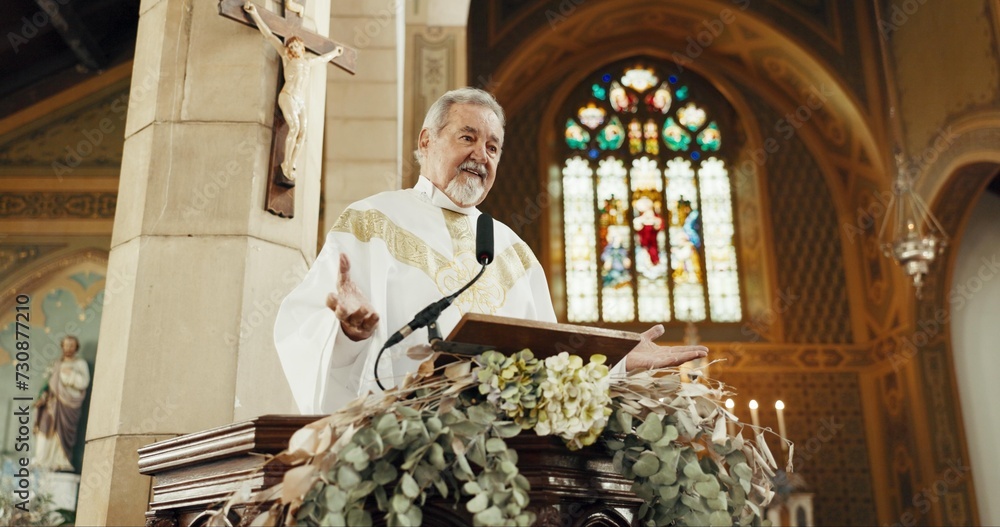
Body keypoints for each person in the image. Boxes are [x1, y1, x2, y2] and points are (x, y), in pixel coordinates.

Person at [274, 88, 708, 414]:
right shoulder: (370, 221)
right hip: (395, 438)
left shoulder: (513, 251)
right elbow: (302, 330)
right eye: (467, 137)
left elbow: (546, 361)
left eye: (493, 146)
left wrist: (613, 362)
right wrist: (349, 332)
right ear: (426, 141)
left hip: (502, 451)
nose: (481, 155)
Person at [244, 2, 343, 185]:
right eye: (293, 47)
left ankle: (293, 164)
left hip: (300, 101)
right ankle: (285, 164)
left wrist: (335, 53)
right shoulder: (285, 56)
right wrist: (255, 14)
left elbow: (322, 59)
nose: (295, 48)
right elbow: (269, 35)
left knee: (303, 132)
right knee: (295, 127)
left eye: (297, 46)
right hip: (288, 95)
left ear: (302, 48)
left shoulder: (307, 62)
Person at [34, 336, 90, 472]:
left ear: (76, 348)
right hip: (51, 403)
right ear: (62, 346)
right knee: (45, 428)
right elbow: (47, 384)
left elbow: (84, 382)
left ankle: (61, 460)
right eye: (66, 345)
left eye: (72, 345)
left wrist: (71, 374)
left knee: (63, 431)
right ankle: (41, 460)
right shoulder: (56, 364)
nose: (69, 348)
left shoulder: (80, 364)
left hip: (69, 405)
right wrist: (42, 397)